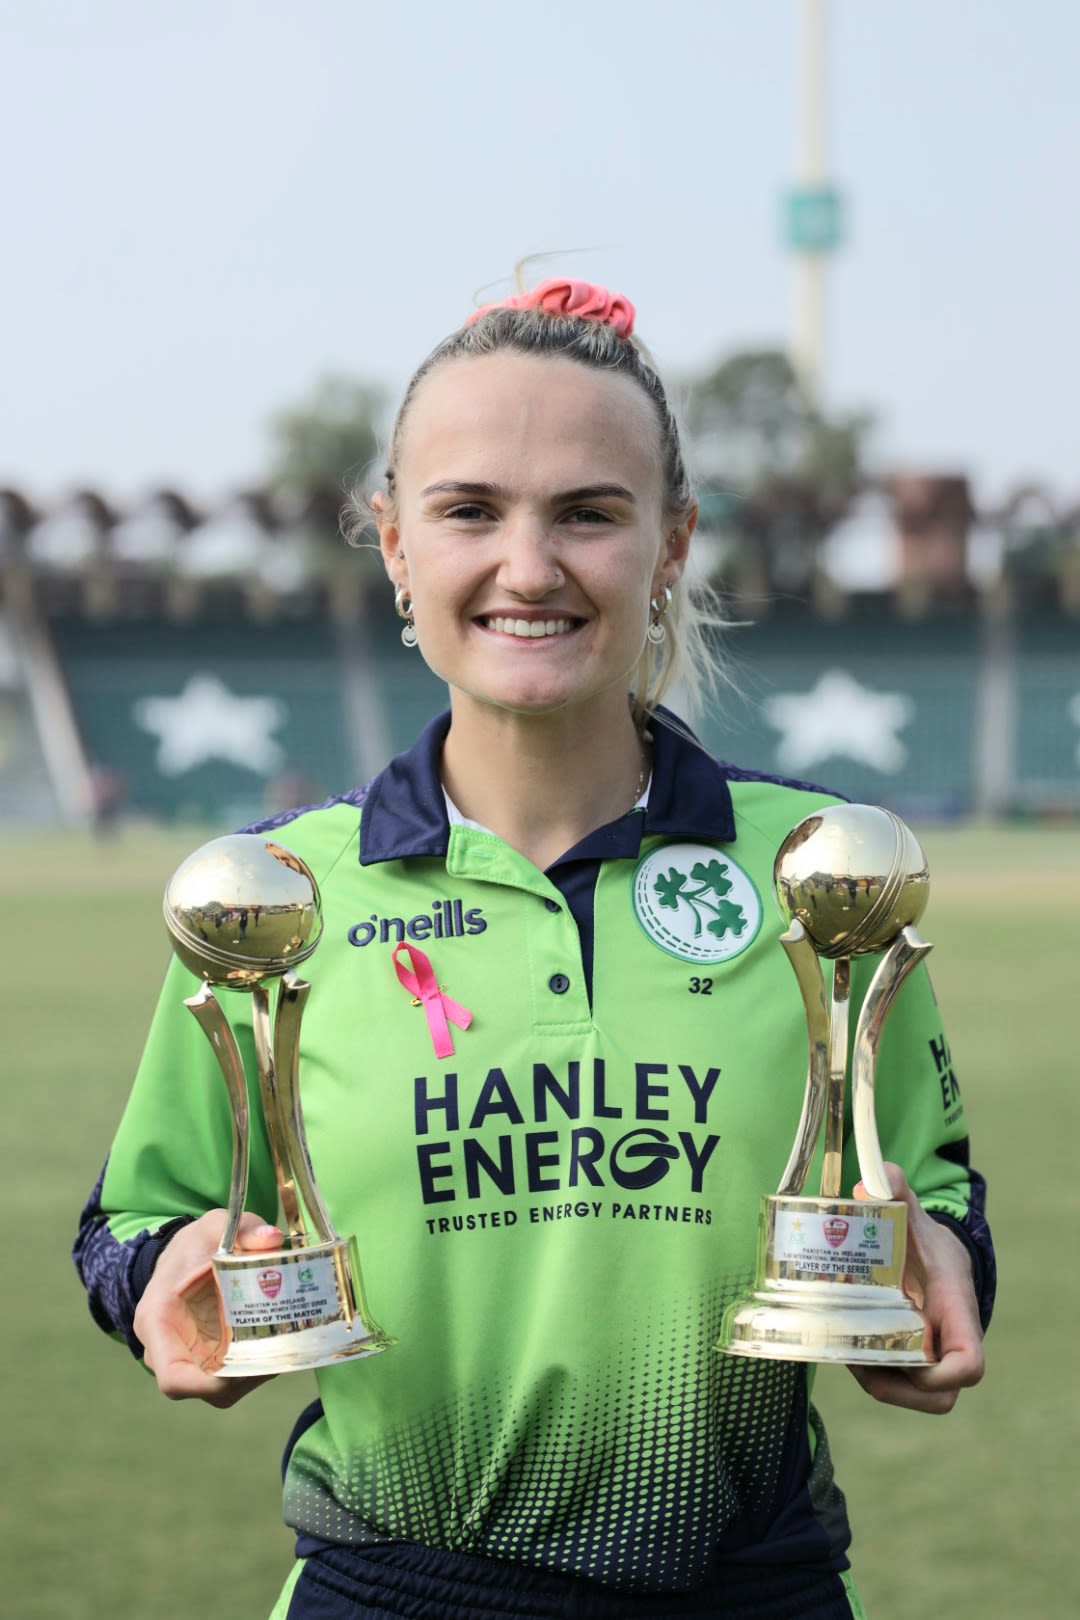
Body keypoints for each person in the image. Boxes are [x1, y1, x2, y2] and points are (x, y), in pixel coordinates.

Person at [74, 277, 993, 1620]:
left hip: (749, 1594)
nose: (527, 566)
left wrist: (945, 1266)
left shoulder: (824, 872)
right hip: (394, 1594)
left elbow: (931, 1191)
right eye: (468, 511)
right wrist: (164, 1277)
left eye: (587, 513)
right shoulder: (269, 897)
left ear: (670, 543)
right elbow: (130, 1219)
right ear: (393, 544)